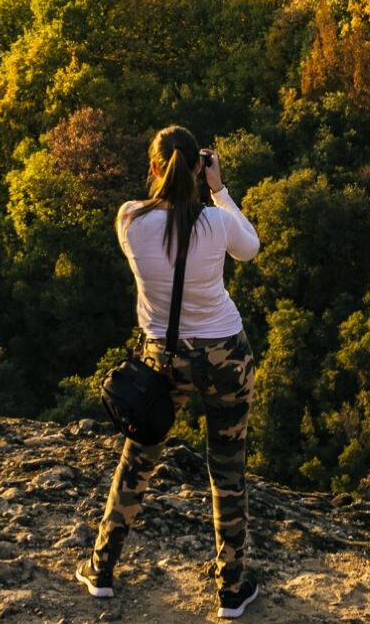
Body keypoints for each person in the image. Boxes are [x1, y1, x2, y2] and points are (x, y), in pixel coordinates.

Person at [76, 123, 261, 618]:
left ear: (154, 168)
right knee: (227, 470)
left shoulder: (130, 220)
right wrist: (219, 189)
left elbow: (162, 221)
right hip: (225, 353)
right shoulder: (216, 224)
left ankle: (101, 569)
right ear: (198, 168)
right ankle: (230, 590)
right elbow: (251, 248)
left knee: (138, 460)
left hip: (163, 356)